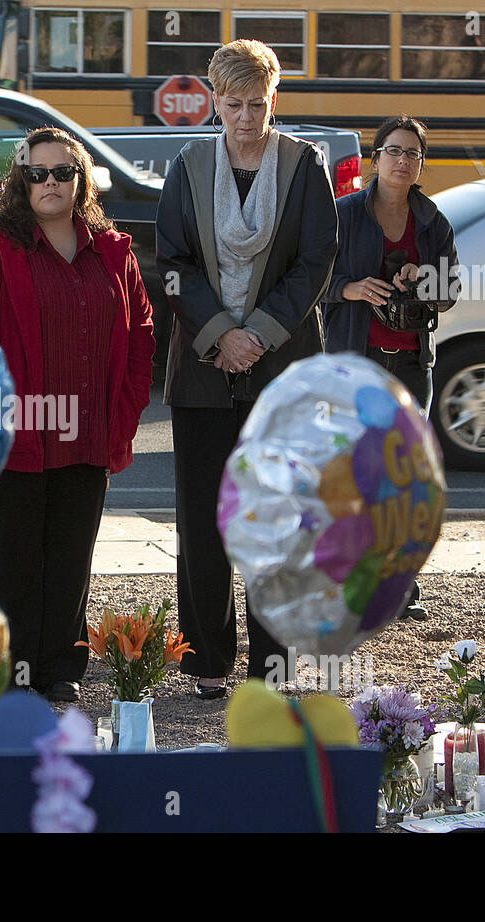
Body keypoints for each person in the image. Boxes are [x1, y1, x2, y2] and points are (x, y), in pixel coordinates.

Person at [156, 39, 337, 700]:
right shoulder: (188, 163)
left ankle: (275, 664)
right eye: (232, 104)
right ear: (214, 99)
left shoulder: (304, 165)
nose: (244, 117)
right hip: (204, 369)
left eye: (257, 104)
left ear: (273, 98)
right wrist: (220, 336)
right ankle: (207, 659)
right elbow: (173, 263)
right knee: (204, 520)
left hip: (280, 365)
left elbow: (315, 263)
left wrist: (255, 334)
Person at [0, 127, 155, 703]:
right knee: (8, 560)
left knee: (70, 561)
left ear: (81, 179)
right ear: (20, 179)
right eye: (38, 172)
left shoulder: (113, 252)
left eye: (62, 172)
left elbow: (142, 334)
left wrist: (124, 413)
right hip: (14, 438)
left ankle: (59, 672)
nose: (50, 182)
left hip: (88, 437)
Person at [322, 115, 460, 621]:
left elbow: (449, 292)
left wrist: (424, 277)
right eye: (394, 151)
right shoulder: (344, 214)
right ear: (374, 158)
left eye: (413, 154)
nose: (403, 161)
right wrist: (350, 288)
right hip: (355, 362)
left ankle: (400, 586)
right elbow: (311, 276)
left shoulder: (433, 222)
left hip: (409, 365)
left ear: (421, 164)